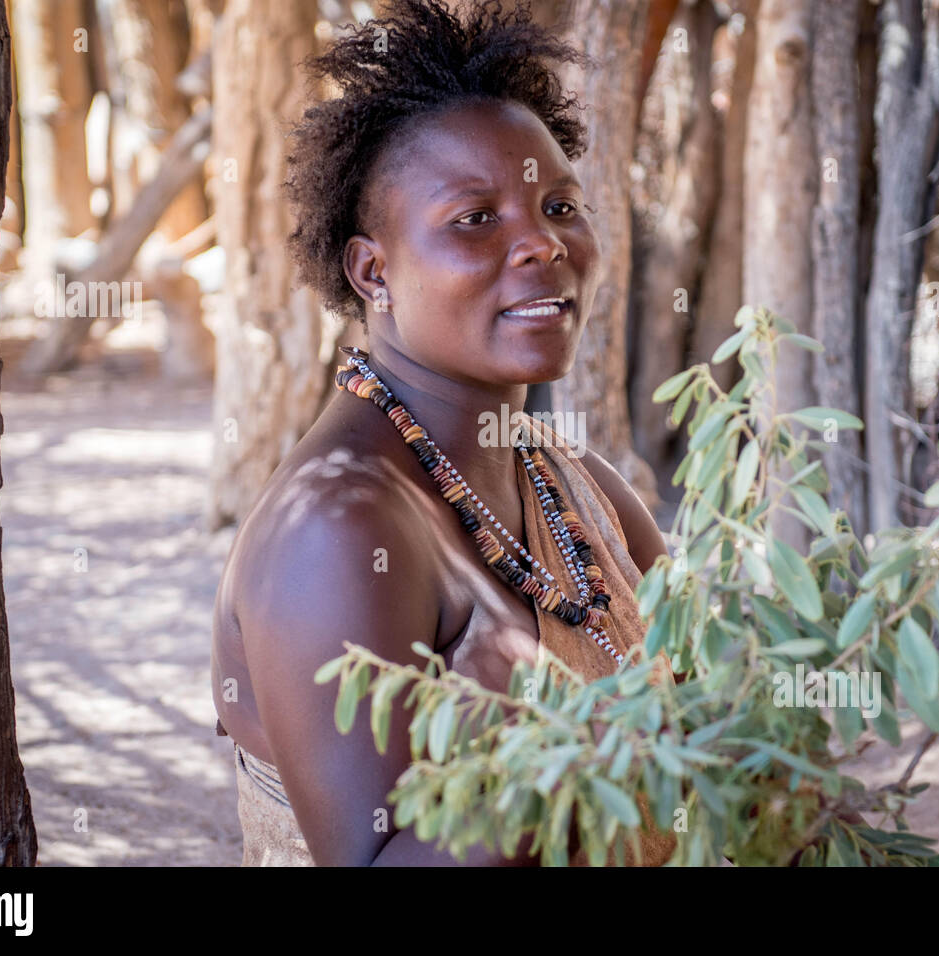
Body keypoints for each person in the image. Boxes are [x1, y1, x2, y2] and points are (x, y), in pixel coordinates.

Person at [210, 0, 677, 866]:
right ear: (374, 271)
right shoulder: (342, 528)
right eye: (475, 218)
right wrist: (577, 750)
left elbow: (710, 692)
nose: (542, 243)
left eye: (562, 206)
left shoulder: (571, 485)